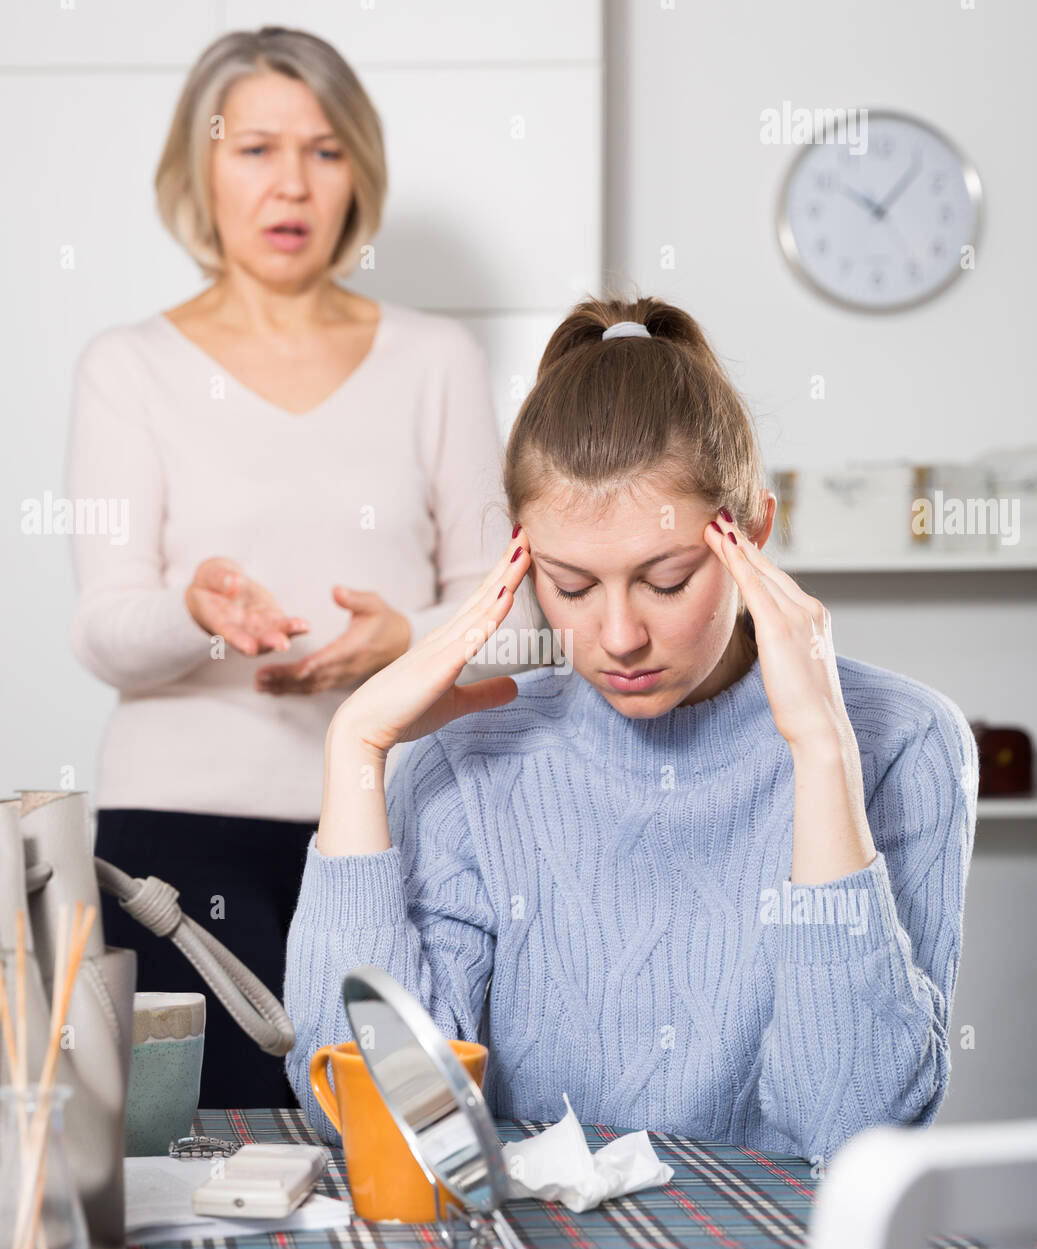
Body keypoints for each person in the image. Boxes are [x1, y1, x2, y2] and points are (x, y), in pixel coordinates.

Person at [284, 294, 978, 1165]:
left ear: (752, 535)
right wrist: (355, 746)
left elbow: (846, 1132)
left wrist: (819, 751)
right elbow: (372, 1118)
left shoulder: (904, 741)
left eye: (666, 579)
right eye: (570, 587)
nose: (617, 638)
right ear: (520, 557)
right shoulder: (473, 756)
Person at [65, 26, 533, 1107]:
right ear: (199, 166)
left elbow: (503, 608)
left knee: (394, 1139)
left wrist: (400, 644)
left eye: (325, 151)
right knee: (197, 1159)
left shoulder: (435, 360)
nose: (292, 183)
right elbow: (103, 628)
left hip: (397, 820)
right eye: (255, 148)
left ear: (358, 174)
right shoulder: (128, 366)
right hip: (174, 845)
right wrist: (196, 614)